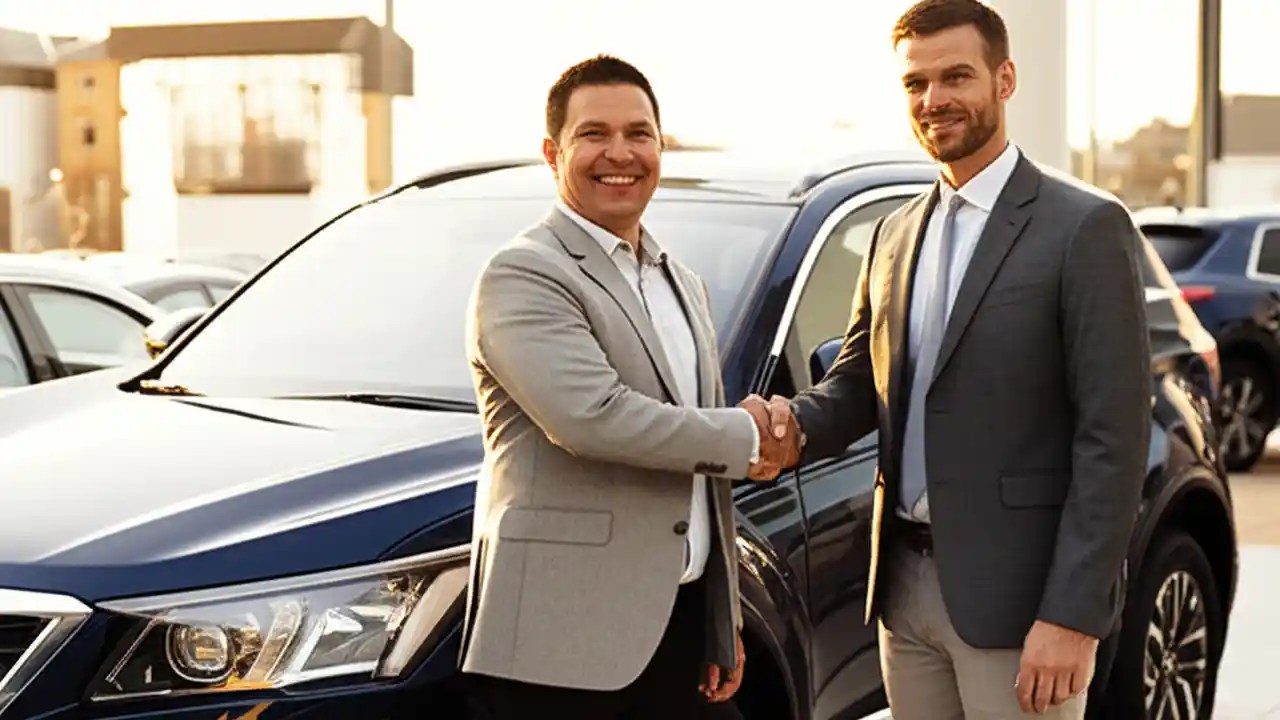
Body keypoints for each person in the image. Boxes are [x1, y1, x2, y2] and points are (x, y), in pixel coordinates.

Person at [745, 0, 1150, 717]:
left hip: (1024, 607)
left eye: (955, 77)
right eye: (916, 84)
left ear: (1005, 79)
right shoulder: (894, 234)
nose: (934, 101)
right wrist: (788, 429)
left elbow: (1112, 441)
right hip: (904, 593)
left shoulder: (1084, 227)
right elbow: (855, 386)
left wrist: (1074, 615)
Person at [460, 55, 790, 719]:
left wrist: (720, 619)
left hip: (676, 628)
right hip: (561, 651)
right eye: (594, 135)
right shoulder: (525, 273)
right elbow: (594, 417)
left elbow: (700, 471)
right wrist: (748, 433)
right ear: (553, 152)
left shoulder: (681, 281)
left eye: (639, 134)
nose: (620, 153)